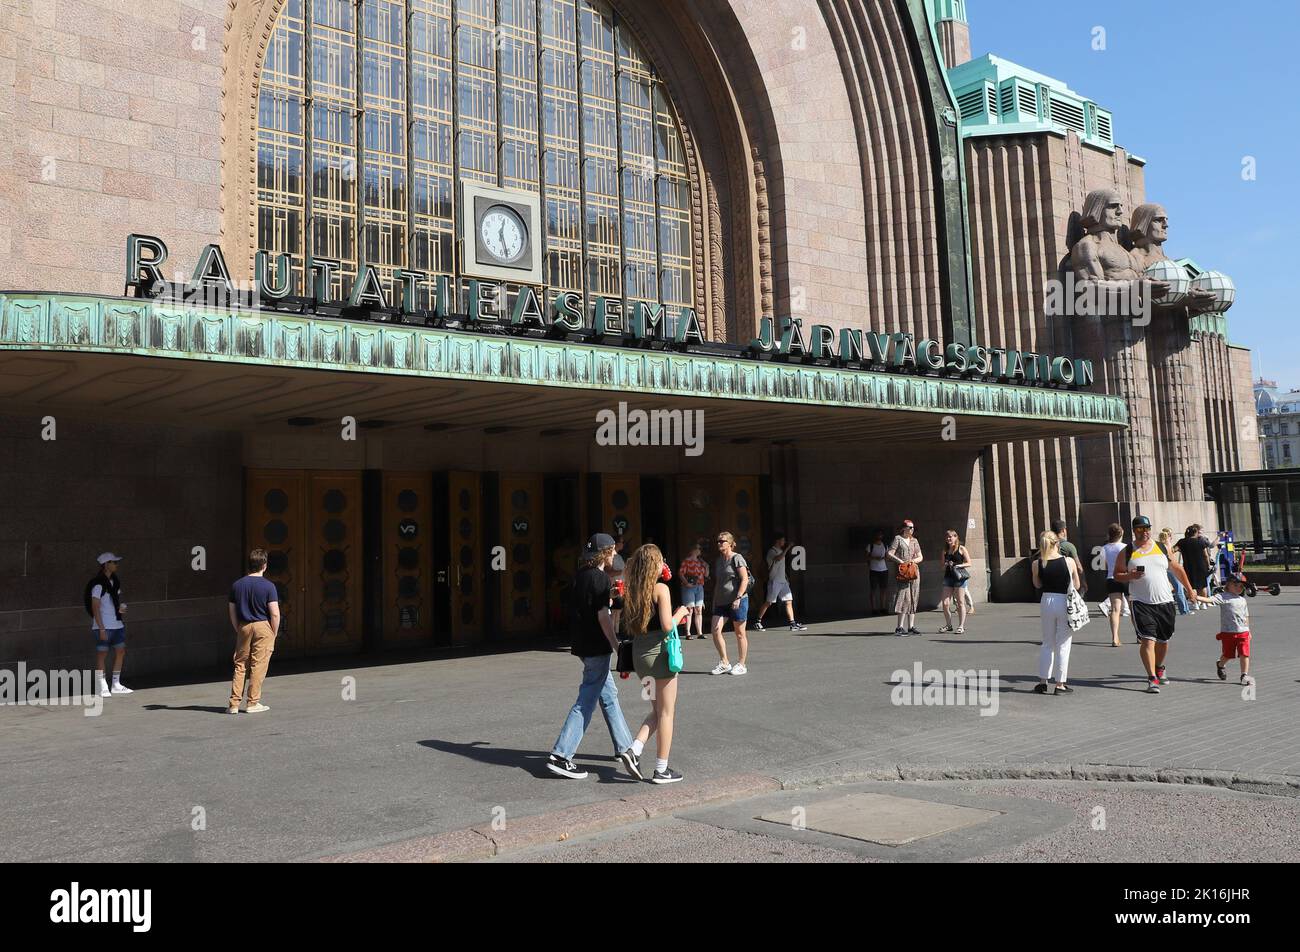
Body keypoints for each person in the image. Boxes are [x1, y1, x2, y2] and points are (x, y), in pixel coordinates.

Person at [546, 533, 642, 780]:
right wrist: (616, 645)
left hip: (581, 644)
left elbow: (586, 608)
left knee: (609, 696)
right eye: (612, 552)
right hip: (597, 646)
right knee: (586, 700)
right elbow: (602, 617)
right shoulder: (600, 578)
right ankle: (561, 755)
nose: (614, 556)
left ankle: (625, 748)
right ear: (606, 552)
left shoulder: (579, 576)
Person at [625, 544, 691, 784]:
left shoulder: (632, 590)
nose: (664, 563)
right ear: (655, 564)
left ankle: (634, 750)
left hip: (640, 658)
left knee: (656, 710)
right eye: (661, 559)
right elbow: (666, 625)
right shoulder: (660, 589)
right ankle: (661, 769)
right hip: (659, 657)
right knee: (666, 713)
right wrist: (680, 613)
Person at [1113, 515, 1197, 695]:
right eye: (1140, 529)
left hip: (1165, 602)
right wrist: (1130, 576)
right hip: (1141, 602)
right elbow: (1117, 575)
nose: (1145, 532)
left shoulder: (1161, 547)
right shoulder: (1127, 551)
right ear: (1134, 531)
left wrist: (1190, 590)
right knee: (1147, 640)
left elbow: (1177, 569)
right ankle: (1152, 678)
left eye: (1147, 528)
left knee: (1163, 641)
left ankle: (1159, 666)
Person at [228, 548, 281, 714]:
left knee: (240, 664)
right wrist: (274, 631)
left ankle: (233, 704)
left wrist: (238, 628)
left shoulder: (237, 585)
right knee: (258, 664)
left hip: (244, 625)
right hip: (262, 625)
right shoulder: (269, 586)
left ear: (249, 565)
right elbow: (274, 612)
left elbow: (231, 610)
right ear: (264, 565)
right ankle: (252, 702)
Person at [1032, 530, 1082, 695]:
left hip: (1046, 601)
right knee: (1063, 644)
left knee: (1047, 643)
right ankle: (1060, 684)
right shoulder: (1068, 561)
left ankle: (1042, 682)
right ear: (1057, 543)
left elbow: (1037, 585)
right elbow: (1077, 585)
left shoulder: (1037, 563)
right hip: (1064, 601)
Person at [709, 531, 754, 675]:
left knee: (739, 633)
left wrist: (738, 597)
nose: (719, 543)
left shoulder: (737, 558)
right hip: (721, 602)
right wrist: (714, 600)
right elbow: (718, 583)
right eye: (718, 541)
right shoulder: (718, 561)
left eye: (722, 541)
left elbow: (745, 579)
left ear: (730, 543)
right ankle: (724, 662)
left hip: (737, 601)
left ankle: (741, 664)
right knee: (715, 630)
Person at [1197, 572, 1253, 686]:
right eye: (1236, 585)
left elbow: (1246, 616)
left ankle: (1244, 675)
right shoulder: (1223, 596)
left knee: (1245, 654)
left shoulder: (1242, 600)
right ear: (1228, 584)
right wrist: (1196, 597)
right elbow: (1210, 600)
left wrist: (1248, 630)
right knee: (1228, 654)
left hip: (1243, 632)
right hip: (1228, 633)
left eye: (1241, 586)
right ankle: (1221, 664)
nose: (1239, 588)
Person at [86, 552, 130, 698]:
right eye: (114, 562)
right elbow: (95, 607)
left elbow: (114, 602)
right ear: (106, 564)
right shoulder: (98, 584)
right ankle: (102, 685)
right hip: (103, 626)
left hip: (117, 624)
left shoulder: (115, 582)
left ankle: (116, 684)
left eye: (116, 562)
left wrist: (120, 610)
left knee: (120, 651)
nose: (116, 565)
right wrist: (101, 628)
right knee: (102, 654)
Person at [755, 533, 805, 632]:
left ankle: (792, 623)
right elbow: (779, 558)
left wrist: (786, 577)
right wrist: (788, 548)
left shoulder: (781, 550)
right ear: (778, 541)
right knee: (769, 602)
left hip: (783, 581)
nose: (784, 542)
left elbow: (781, 566)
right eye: (782, 540)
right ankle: (758, 621)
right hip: (774, 581)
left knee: (789, 601)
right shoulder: (771, 551)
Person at [888, 520, 923, 636]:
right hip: (903, 571)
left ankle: (911, 626)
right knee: (904, 597)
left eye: (913, 528)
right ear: (904, 528)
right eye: (910, 527)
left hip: (913, 571)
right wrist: (900, 561)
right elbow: (889, 553)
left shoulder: (914, 540)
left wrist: (913, 561)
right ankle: (899, 627)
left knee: (914, 596)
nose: (912, 530)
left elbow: (920, 556)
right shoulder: (898, 539)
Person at [1099, 523, 1130, 647]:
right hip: (1125, 577)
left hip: (1111, 578)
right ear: (1121, 534)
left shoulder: (1104, 548)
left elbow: (1104, 565)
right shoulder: (1125, 547)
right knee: (1133, 608)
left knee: (1115, 609)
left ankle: (1115, 637)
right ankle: (1139, 636)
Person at [939, 529, 972, 634]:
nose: (949, 538)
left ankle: (961, 626)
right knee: (945, 603)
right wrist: (945, 565)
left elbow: (969, 563)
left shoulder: (961, 548)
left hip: (958, 577)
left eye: (951, 537)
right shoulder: (945, 550)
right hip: (948, 577)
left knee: (960, 602)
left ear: (956, 537)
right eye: (947, 537)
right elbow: (942, 567)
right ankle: (948, 625)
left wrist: (959, 565)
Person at [1174, 525, 1214, 610]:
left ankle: (1195, 603)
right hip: (1201, 566)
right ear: (1195, 533)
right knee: (1203, 586)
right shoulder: (1200, 542)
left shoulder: (1182, 542)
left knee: (1192, 586)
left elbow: (1173, 550)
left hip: (1188, 566)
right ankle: (1204, 604)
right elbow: (1205, 555)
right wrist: (1207, 565)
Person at [678, 542, 709, 640]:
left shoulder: (700, 562)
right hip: (689, 587)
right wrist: (686, 583)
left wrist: (707, 566)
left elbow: (706, 575)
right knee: (689, 609)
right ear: (694, 550)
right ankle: (688, 632)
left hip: (699, 586)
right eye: (699, 548)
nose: (700, 550)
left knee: (698, 609)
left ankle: (700, 632)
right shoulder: (686, 561)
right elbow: (681, 573)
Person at [1159, 527, 1193, 615]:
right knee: (1179, 589)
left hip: (1166, 569)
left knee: (1177, 588)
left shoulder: (1160, 545)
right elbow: (1171, 558)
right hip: (1171, 568)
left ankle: (1185, 609)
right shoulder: (1168, 544)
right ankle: (1184, 610)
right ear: (1169, 535)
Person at [1050, 519, 1087, 596]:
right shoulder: (1068, 546)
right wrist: (1083, 582)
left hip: (1050, 587)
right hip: (1066, 584)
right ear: (1063, 530)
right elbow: (1079, 566)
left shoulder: (1047, 545)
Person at [867, 530, 890, 614]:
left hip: (883, 570)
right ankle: (874, 609)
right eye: (878, 535)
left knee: (883, 589)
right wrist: (875, 558)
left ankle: (882, 608)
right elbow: (867, 557)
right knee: (873, 590)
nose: (879, 537)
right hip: (874, 570)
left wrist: (883, 558)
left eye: (881, 535)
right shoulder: (871, 546)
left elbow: (888, 558)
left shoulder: (885, 545)